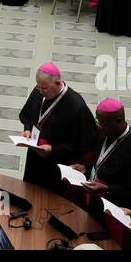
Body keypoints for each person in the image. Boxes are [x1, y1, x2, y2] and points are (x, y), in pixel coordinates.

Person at [17, 62, 95, 191]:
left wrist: (52, 149)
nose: (41, 92)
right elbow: (29, 115)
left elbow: (78, 144)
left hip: (56, 162)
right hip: (34, 156)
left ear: (58, 83)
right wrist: (27, 129)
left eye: (45, 88)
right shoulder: (39, 91)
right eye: (38, 87)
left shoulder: (77, 106)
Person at [71, 98, 131, 209]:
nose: (100, 127)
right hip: (94, 193)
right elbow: (100, 160)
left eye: (104, 123)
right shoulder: (105, 131)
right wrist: (86, 167)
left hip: (114, 206)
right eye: (98, 122)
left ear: (118, 120)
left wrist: (107, 188)